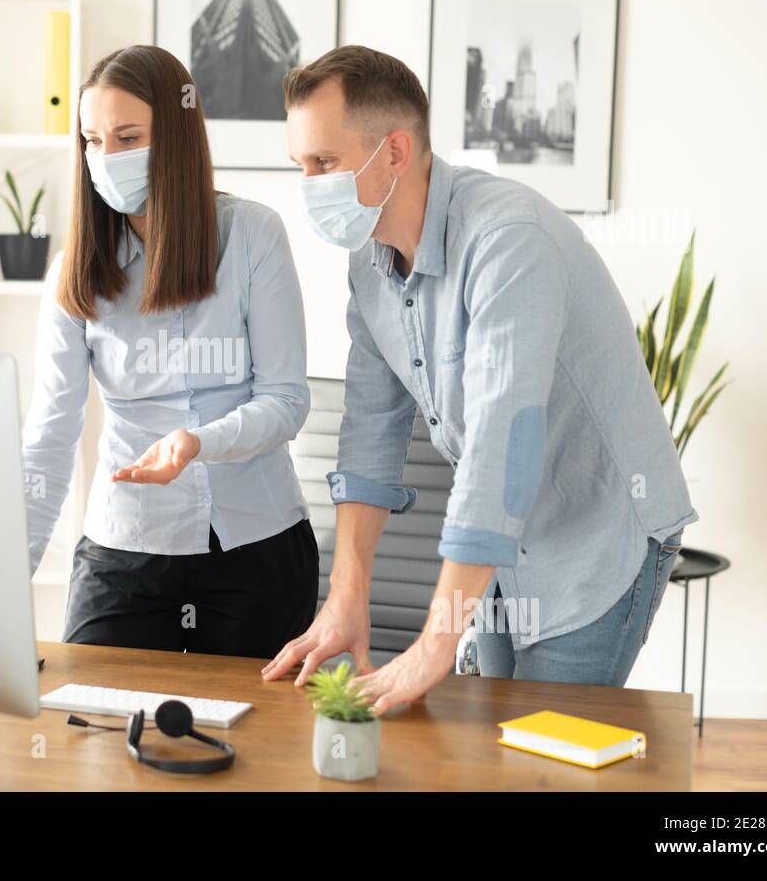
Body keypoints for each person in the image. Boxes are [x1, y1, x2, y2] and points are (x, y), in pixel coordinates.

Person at [264, 45, 697, 709]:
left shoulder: (506, 239)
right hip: (504, 546)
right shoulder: (370, 263)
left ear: (396, 153)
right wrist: (346, 600)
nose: (309, 186)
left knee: (542, 752)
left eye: (324, 162)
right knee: (487, 749)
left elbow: (502, 446)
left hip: (595, 534)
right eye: (301, 166)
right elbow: (370, 438)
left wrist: (436, 641)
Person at [22, 44, 318, 658]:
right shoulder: (72, 274)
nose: (107, 158)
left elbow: (286, 401)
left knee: (258, 744)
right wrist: (0, 582)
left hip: (255, 551)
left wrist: (199, 443)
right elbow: (50, 437)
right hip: (126, 548)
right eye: (92, 140)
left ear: (177, 137)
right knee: (92, 732)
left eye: (128, 137)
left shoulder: (252, 236)